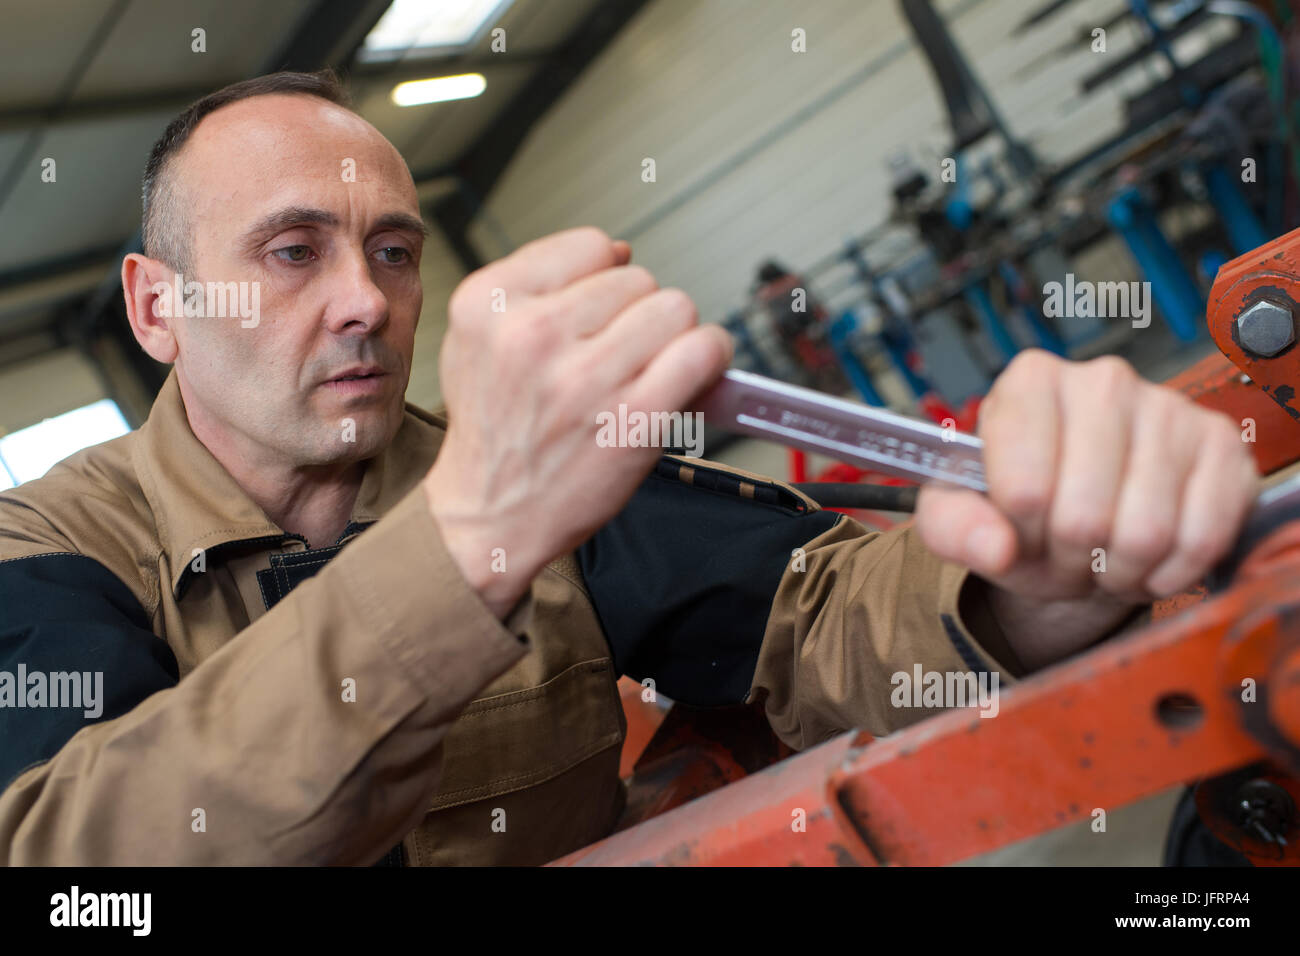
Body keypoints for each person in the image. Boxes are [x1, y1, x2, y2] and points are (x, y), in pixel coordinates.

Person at [0, 71, 1260, 865]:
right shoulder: (49, 551)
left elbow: (821, 614)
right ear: (157, 308)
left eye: (392, 250)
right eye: (292, 251)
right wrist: (469, 541)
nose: (366, 302)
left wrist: (1038, 578)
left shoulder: (546, 479)